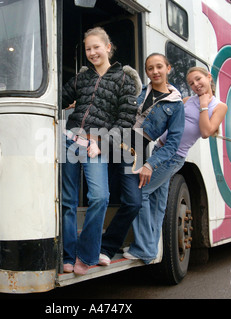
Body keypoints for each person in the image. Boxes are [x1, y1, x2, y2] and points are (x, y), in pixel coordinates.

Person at [124, 66, 227, 263]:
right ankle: (150, 248)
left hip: (173, 156)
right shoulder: (187, 101)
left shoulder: (218, 105)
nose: (196, 85)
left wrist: (204, 105)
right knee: (158, 203)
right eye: (191, 83)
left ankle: (143, 247)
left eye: (198, 79)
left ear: (209, 77)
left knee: (140, 192)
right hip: (160, 150)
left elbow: (206, 132)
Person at [61, 27, 141, 275]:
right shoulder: (82, 77)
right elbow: (59, 97)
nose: (92, 52)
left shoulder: (125, 79)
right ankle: (67, 254)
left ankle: (87, 254)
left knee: (99, 197)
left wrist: (103, 143)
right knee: (68, 202)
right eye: (88, 48)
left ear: (108, 47)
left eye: (97, 47)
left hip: (97, 145)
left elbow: (125, 121)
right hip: (70, 140)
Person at [99, 53, 185, 266]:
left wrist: (149, 164)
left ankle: (107, 248)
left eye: (159, 67)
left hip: (135, 146)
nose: (155, 72)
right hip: (112, 137)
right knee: (99, 194)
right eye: (150, 68)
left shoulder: (175, 105)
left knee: (134, 201)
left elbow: (173, 144)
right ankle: (90, 244)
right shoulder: (138, 90)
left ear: (168, 68)